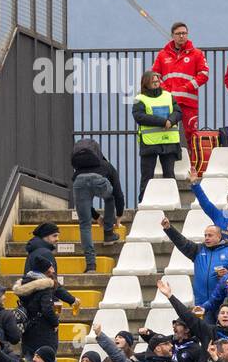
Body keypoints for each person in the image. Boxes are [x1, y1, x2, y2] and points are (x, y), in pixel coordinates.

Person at [153, 22, 210, 171]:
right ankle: (171, 168)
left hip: (189, 103)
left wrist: (187, 87)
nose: (182, 36)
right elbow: (155, 76)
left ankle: (193, 168)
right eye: (178, 33)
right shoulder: (162, 55)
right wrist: (166, 91)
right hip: (169, 103)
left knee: (191, 135)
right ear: (172, 35)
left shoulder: (196, 54)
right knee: (168, 134)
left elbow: (204, 75)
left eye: (184, 33)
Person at [70, 137, 124, 272]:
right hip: (99, 182)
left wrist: (96, 217)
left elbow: (84, 202)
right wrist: (119, 215)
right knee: (110, 197)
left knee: (84, 225)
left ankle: (91, 265)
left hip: (79, 183)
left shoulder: (78, 171)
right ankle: (108, 234)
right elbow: (118, 192)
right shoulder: (106, 165)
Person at [132, 69, 181, 201]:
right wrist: (163, 122)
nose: (156, 83)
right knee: (147, 176)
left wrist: (171, 120)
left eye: (157, 81)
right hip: (150, 143)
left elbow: (178, 112)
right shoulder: (139, 99)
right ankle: (143, 202)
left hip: (168, 142)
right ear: (145, 83)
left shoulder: (168, 96)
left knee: (170, 175)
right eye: (153, 81)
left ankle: (172, 200)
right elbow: (139, 116)